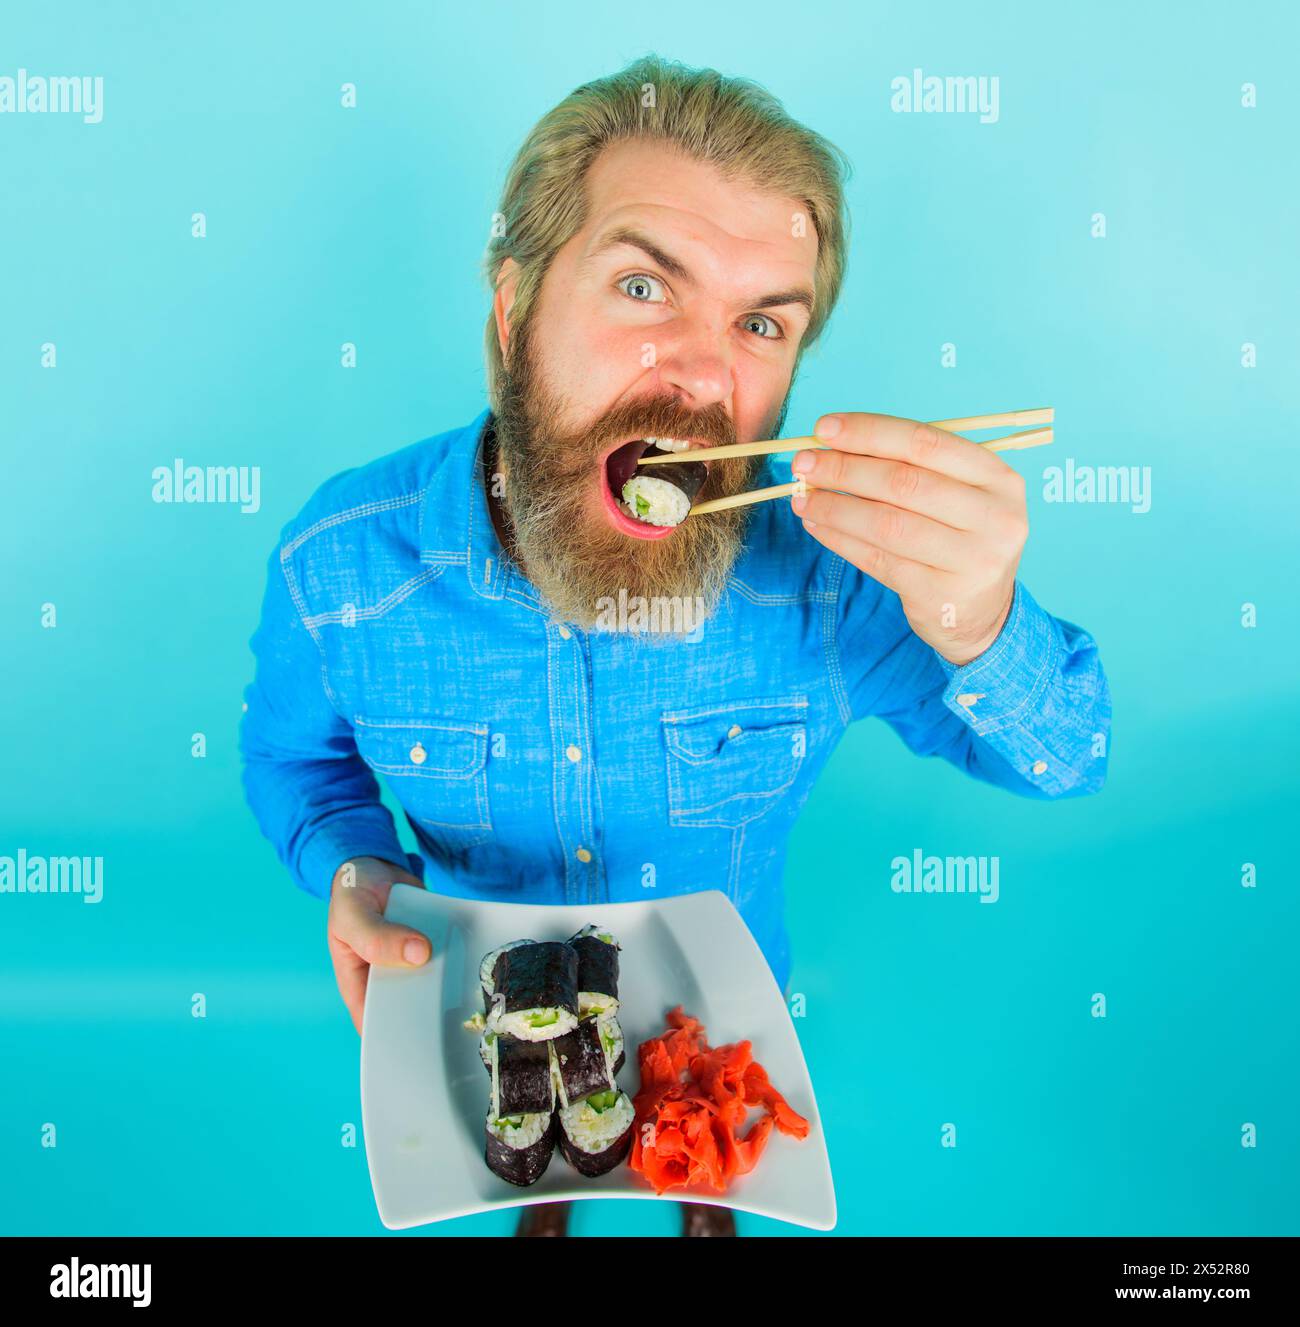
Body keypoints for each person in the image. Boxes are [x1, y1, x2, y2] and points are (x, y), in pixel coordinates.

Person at [238, 55, 1111, 1239]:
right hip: (494, 1014)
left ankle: (705, 1202)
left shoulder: (833, 581)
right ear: (513, 310)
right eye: (645, 288)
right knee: (535, 1157)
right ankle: (544, 1203)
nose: (704, 378)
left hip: (727, 1017)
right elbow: (297, 764)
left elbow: (1064, 761)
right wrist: (352, 865)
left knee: (710, 1173)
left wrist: (976, 618)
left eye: (759, 322)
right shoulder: (342, 567)